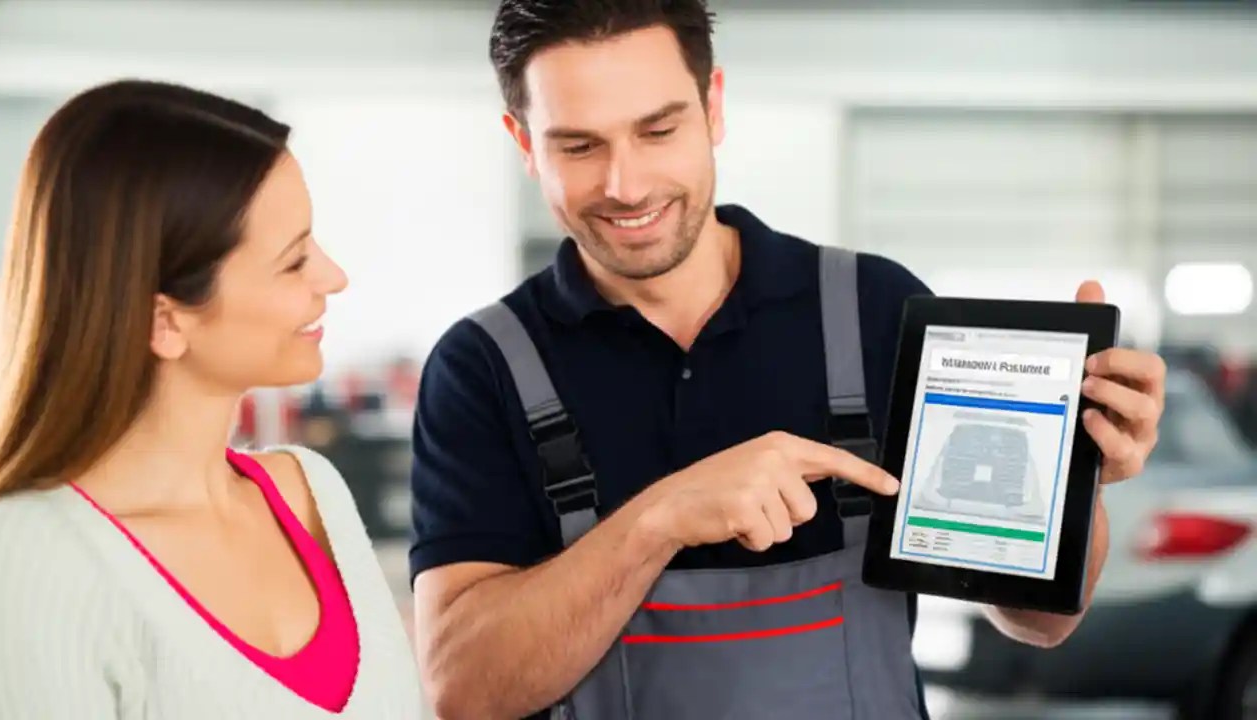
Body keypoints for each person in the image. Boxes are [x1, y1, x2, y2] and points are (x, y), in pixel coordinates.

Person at [408, 2, 1167, 719]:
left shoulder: (875, 309)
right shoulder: (484, 368)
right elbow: (463, 690)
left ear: (714, 107)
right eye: (579, 145)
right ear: (522, 142)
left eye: (658, 130)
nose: (625, 185)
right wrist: (658, 520)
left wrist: (1074, 477)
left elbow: (1037, 622)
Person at [0, 80, 413, 719]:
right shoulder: (26, 554)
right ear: (166, 321)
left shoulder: (312, 491)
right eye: (294, 262)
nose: (333, 277)